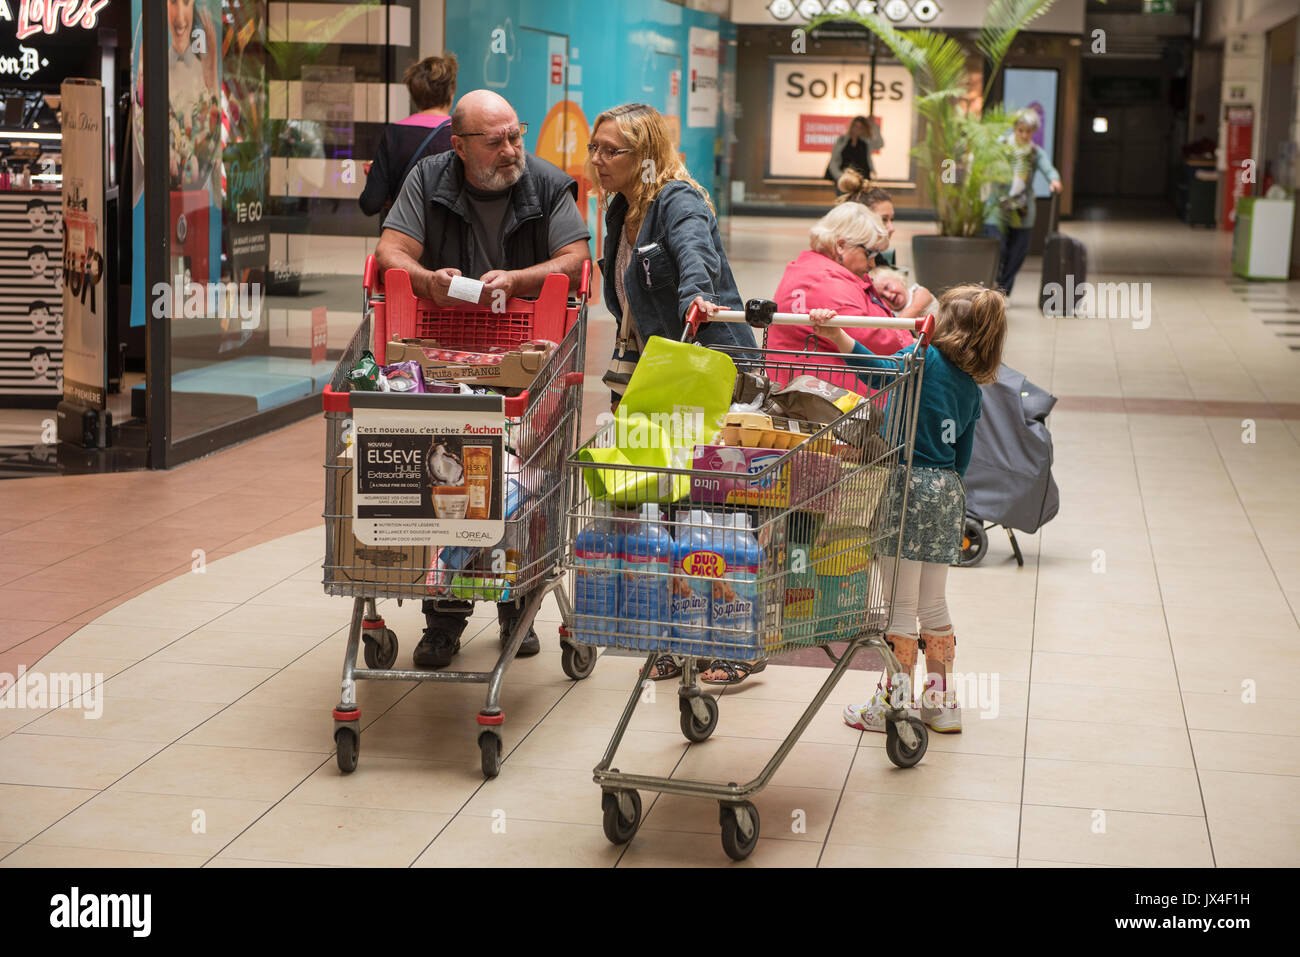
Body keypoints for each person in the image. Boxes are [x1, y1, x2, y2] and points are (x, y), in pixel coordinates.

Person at [375, 89, 592, 669]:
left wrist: (520, 279)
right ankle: (444, 617)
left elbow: (575, 259)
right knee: (449, 482)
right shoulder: (428, 178)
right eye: (494, 140)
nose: (511, 149)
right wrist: (425, 281)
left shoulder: (546, 183)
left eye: (515, 134)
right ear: (460, 146)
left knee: (527, 484)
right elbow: (390, 251)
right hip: (445, 362)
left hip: (529, 358)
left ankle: (514, 604)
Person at [585, 102, 757, 685]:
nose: (600, 160)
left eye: (614, 151)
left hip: (711, 364)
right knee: (677, 499)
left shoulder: (676, 200)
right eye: (596, 149)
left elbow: (694, 253)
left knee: (717, 508)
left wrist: (694, 296)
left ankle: (735, 640)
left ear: (647, 155)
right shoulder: (620, 210)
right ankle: (684, 636)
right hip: (664, 368)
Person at [810, 285, 1007, 734]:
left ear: (942, 326)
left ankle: (892, 705)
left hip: (905, 488)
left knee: (898, 607)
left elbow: (876, 372)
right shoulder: (971, 389)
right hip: (946, 493)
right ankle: (940, 704)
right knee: (933, 603)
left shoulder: (922, 361)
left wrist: (837, 335)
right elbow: (963, 459)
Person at [769, 203, 911, 390]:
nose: (872, 262)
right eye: (870, 253)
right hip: (834, 401)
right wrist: (911, 340)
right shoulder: (825, 282)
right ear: (841, 245)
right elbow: (875, 340)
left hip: (817, 388)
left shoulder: (813, 269)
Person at [359, 54, 458, 224]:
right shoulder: (460, 135)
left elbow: (371, 203)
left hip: (403, 239)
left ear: (414, 96)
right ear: (451, 94)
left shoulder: (394, 134)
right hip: (448, 239)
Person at [983, 109, 1063, 296]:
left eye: (1029, 131)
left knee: (1017, 253)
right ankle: (991, 287)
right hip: (997, 206)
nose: (1024, 135)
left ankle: (1003, 291)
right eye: (1021, 130)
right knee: (998, 248)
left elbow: (1048, 169)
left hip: (1022, 209)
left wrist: (1055, 180)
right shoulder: (1001, 147)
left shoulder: (1035, 152)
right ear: (1014, 128)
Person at [837, 169, 936, 317]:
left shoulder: (881, 259)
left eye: (891, 220)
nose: (891, 228)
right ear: (862, 220)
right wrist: (917, 306)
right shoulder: (846, 269)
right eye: (883, 220)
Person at [825, 116, 882, 195]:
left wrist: (873, 125)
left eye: (860, 127)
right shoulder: (842, 140)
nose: (857, 129)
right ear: (851, 126)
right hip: (845, 178)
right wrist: (838, 176)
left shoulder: (865, 142)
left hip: (862, 179)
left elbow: (879, 144)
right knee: (844, 202)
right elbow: (834, 160)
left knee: (861, 202)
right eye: (855, 126)